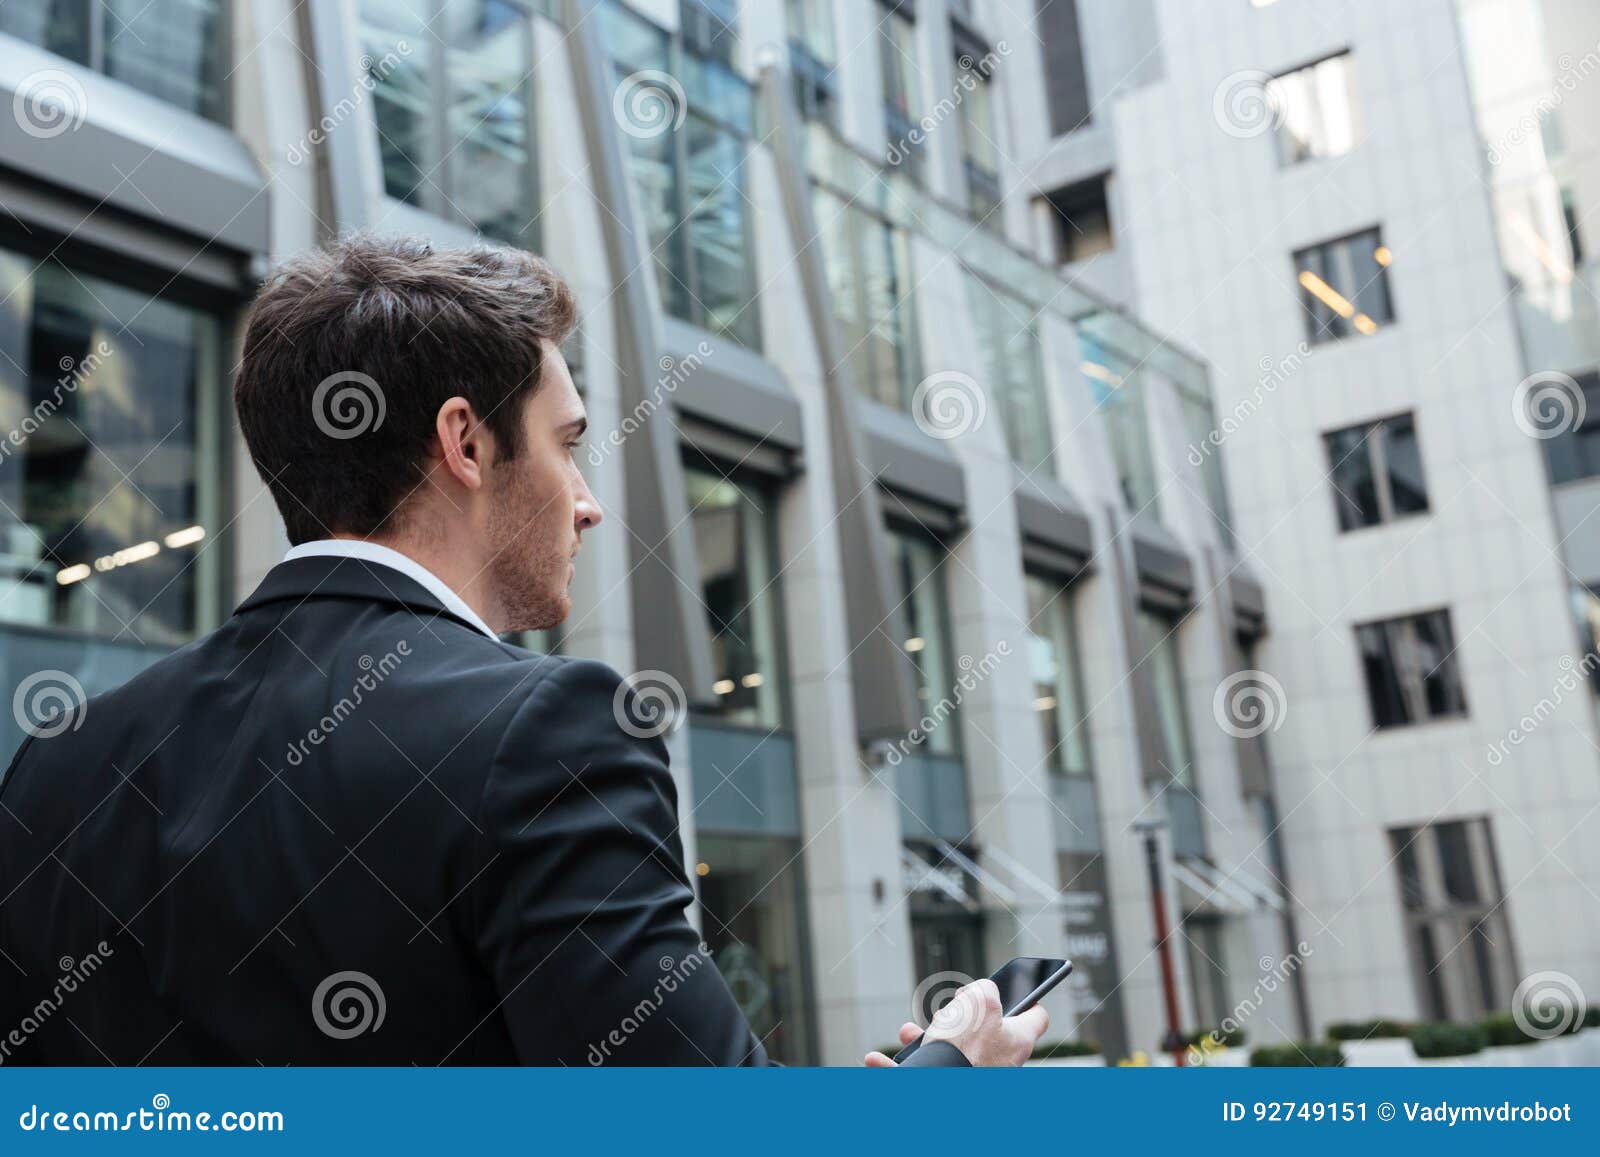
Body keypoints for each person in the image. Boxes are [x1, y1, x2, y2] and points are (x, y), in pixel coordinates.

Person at [0, 236, 1047, 1067]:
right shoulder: (547, 735)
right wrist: (946, 1076)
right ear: (464, 442)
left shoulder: (61, 760)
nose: (587, 503)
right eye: (568, 442)